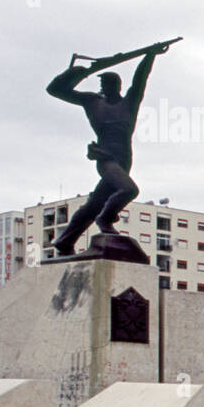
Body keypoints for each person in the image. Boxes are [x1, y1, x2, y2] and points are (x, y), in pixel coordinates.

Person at [46, 43, 169, 255]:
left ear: (118, 86)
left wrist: (150, 56)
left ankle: (65, 241)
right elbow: (54, 90)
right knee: (129, 190)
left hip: (124, 159)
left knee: (95, 203)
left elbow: (141, 79)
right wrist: (75, 73)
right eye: (103, 83)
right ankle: (105, 219)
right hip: (105, 158)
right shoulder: (91, 101)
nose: (106, 87)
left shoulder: (129, 102)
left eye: (110, 83)